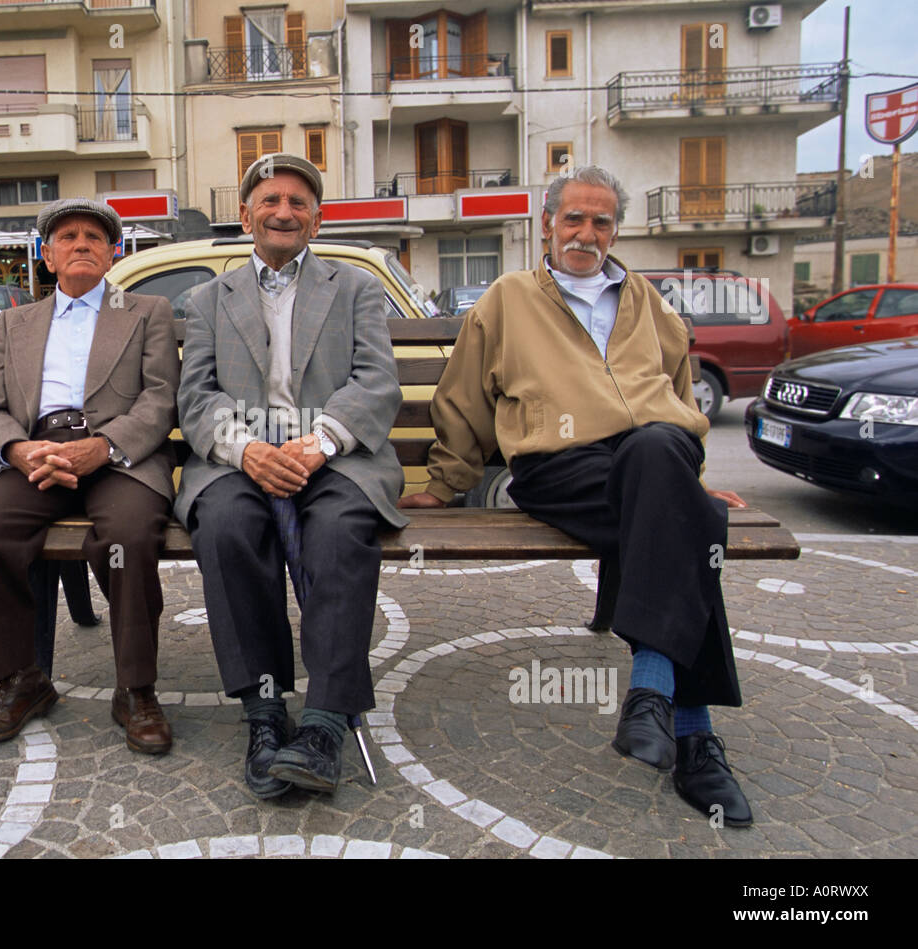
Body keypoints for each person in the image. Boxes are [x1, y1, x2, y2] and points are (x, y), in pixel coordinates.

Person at [399, 165, 755, 827]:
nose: (586, 234)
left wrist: (691, 478)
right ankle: (692, 729)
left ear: (614, 230)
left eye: (600, 222)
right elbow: (463, 397)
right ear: (547, 225)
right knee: (689, 517)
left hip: (652, 460)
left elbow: (677, 392)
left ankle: (657, 699)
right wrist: (445, 484)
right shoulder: (507, 299)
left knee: (662, 458)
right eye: (574, 219)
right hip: (561, 468)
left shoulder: (647, 300)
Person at [175, 153, 406, 797]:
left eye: (298, 202)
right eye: (270, 200)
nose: (284, 211)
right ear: (246, 215)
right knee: (224, 526)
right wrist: (247, 450)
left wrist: (321, 441)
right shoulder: (207, 299)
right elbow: (195, 398)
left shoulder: (354, 287)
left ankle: (327, 725)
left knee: (338, 530)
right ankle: (266, 714)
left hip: (333, 453)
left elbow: (377, 382)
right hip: (239, 456)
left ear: (317, 217)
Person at [0, 198, 180, 755]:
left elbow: (161, 398)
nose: (81, 244)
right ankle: (21, 679)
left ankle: (135, 687)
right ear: (47, 256)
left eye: (94, 237)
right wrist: (20, 451)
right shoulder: (14, 323)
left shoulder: (146, 310)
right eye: (68, 237)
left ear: (113, 252)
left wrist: (104, 447)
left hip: (118, 457)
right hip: (36, 456)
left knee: (126, 537)